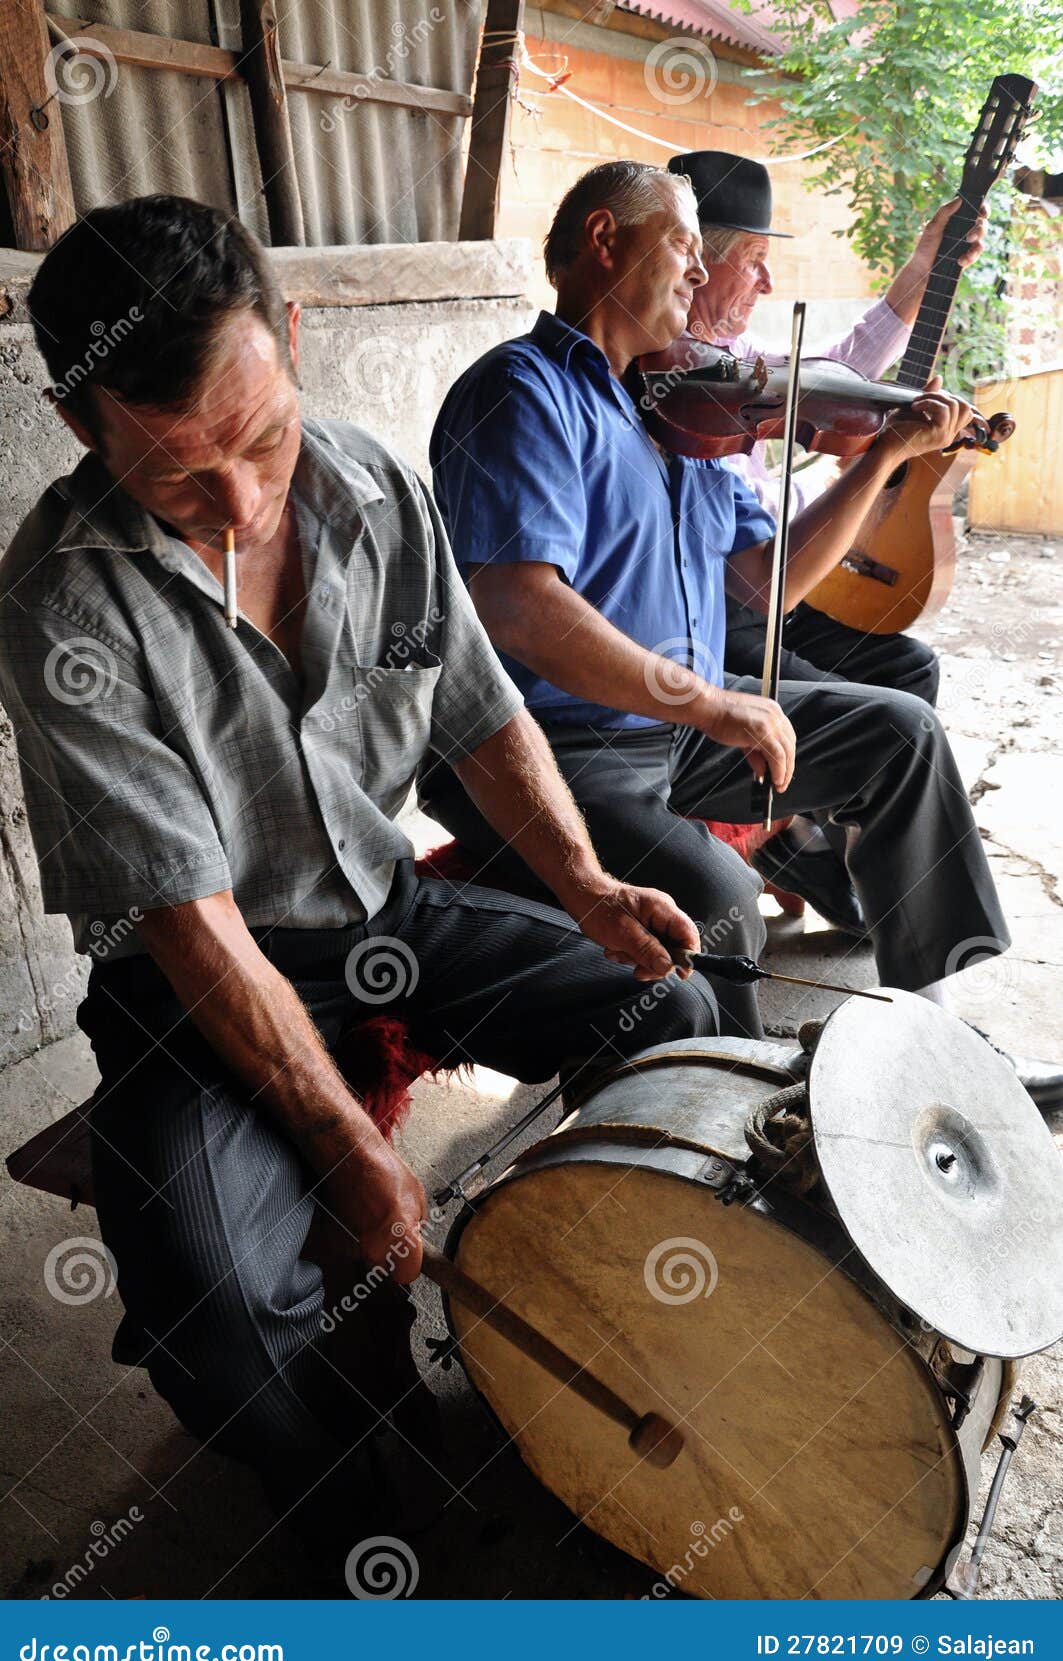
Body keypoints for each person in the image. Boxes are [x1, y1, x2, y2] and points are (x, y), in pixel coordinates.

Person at [0, 195, 718, 1557]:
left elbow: (479, 708)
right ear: (83, 423)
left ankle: (590, 1338)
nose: (242, 503)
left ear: (288, 332)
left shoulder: (375, 489)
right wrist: (348, 1148)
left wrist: (582, 883)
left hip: (387, 914)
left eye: (260, 439)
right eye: (177, 480)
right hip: (198, 988)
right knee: (206, 1300)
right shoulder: (60, 608)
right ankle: (342, 1493)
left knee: (668, 1017)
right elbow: (194, 925)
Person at [421, 160, 1062, 1106]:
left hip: (666, 731)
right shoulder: (522, 394)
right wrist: (711, 699)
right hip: (554, 748)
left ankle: (934, 1042)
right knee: (717, 907)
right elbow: (518, 605)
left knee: (901, 733)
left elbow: (763, 585)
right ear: (605, 242)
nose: (696, 270)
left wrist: (883, 452)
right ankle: (750, 1119)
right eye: (684, 242)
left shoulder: (677, 408)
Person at [668, 150, 987, 927]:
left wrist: (919, 271)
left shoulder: (733, 365)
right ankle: (800, 836)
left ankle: (822, 840)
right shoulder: (664, 374)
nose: (770, 285)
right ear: (696, 266)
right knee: (883, 714)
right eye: (754, 263)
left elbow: (833, 375)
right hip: (720, 611)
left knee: (906, 661)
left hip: (771, 583)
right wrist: (879, 458)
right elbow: (745, 569)